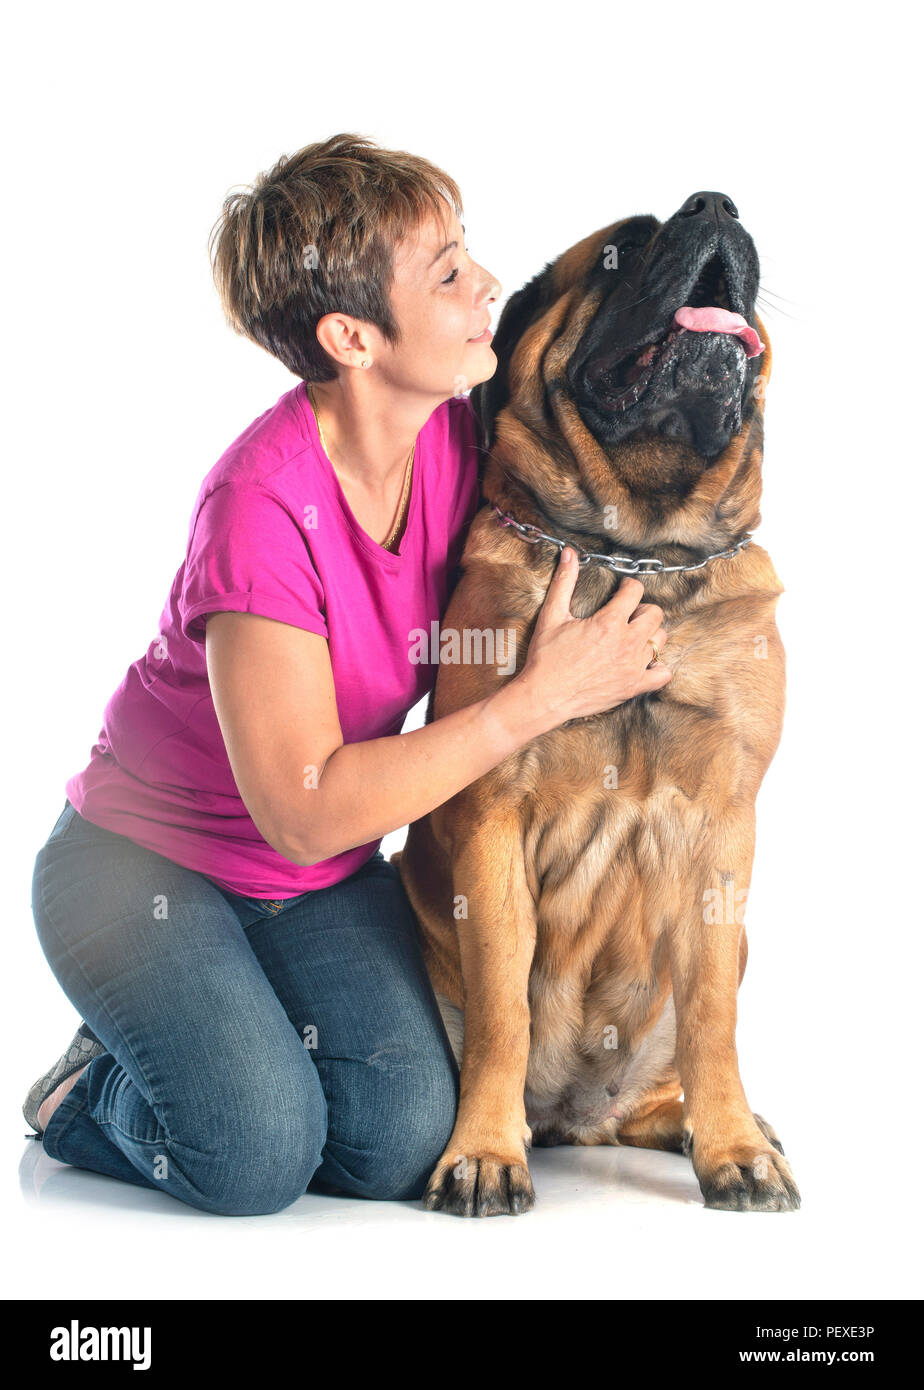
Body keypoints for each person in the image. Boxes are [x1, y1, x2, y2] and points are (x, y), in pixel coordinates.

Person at [24, 133, 671, 1216]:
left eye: (471, 255)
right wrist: (537, 700)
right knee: (255, 1156)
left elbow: (584, 386)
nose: (487, 288)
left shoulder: (458, 439)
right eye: (450, 273)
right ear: (351, 336)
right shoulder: (261, 509)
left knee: (401, 1140)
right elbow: (308, 813)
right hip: (142, 865)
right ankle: (93, 1088)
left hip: (305, 889)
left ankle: (221, 1031)